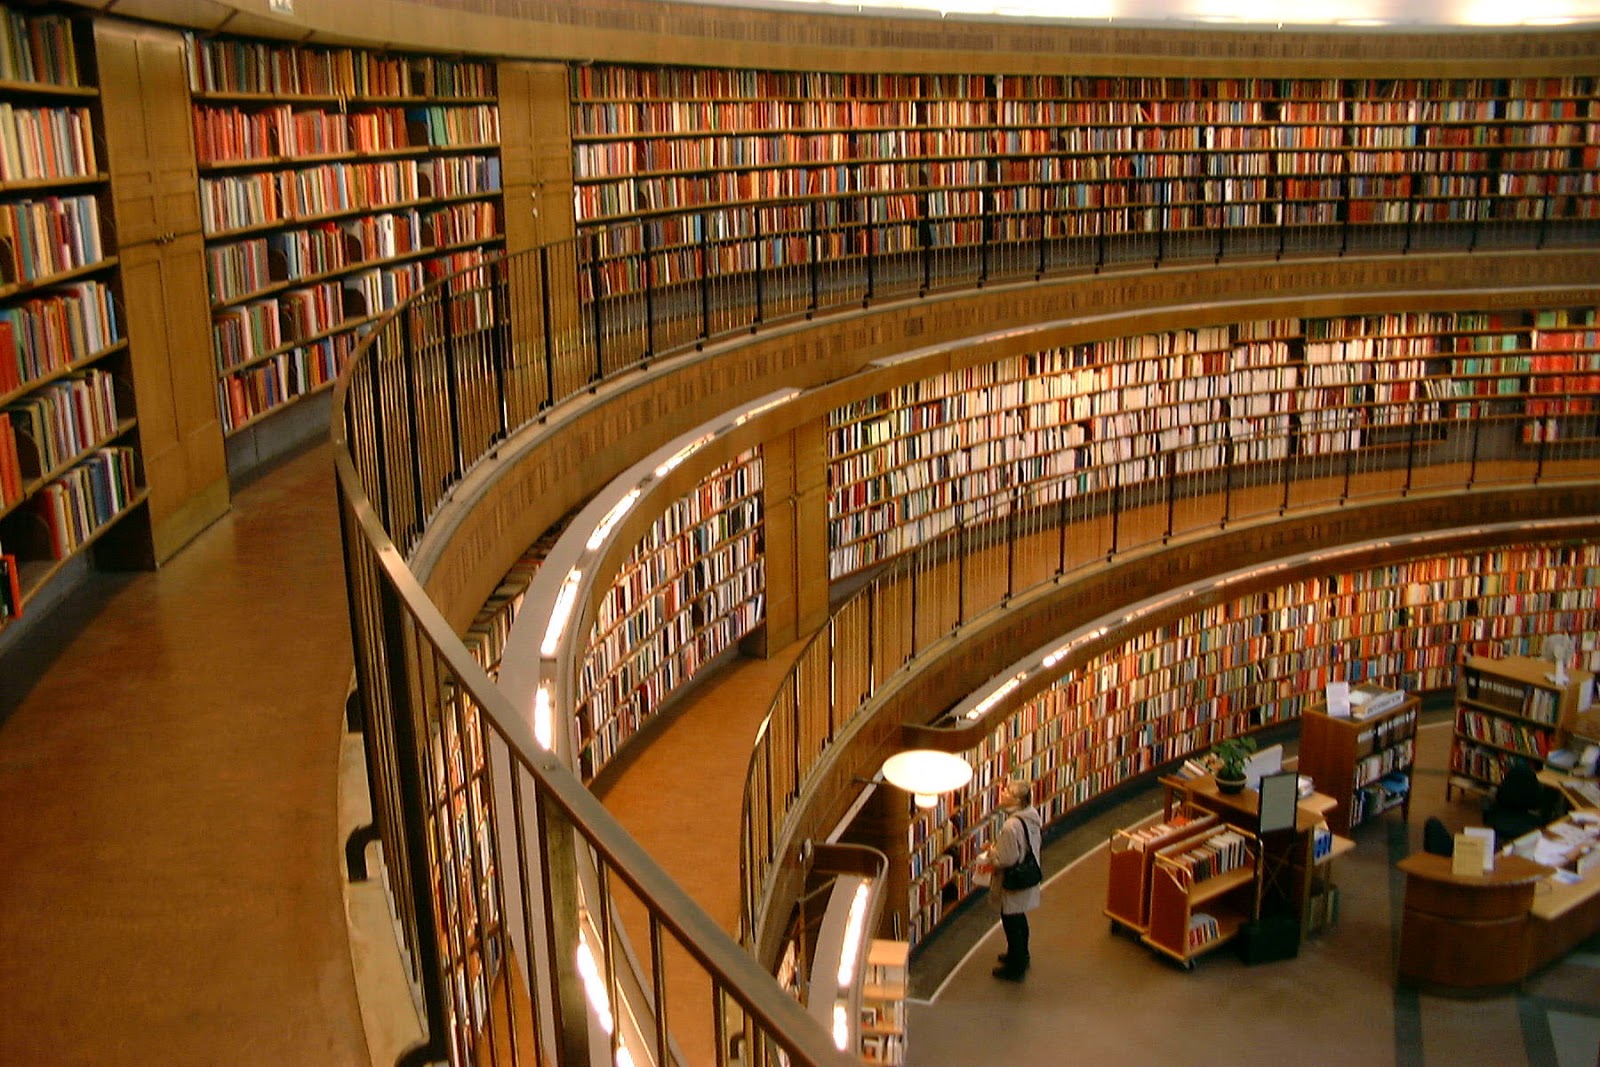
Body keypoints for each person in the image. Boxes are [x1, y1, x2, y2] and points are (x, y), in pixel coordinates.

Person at [985, 778, 1043, 981]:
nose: (1002, 792)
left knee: (1011, 920)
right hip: (1028, 873)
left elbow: (1007, 859)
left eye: (1007, 791)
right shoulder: (1031, 815)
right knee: (1019, 918)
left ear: (1016, 800)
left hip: (1013, 880)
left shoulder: (1010, 826)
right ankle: (1021, 955)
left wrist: (992, 854)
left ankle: (1016, 966)